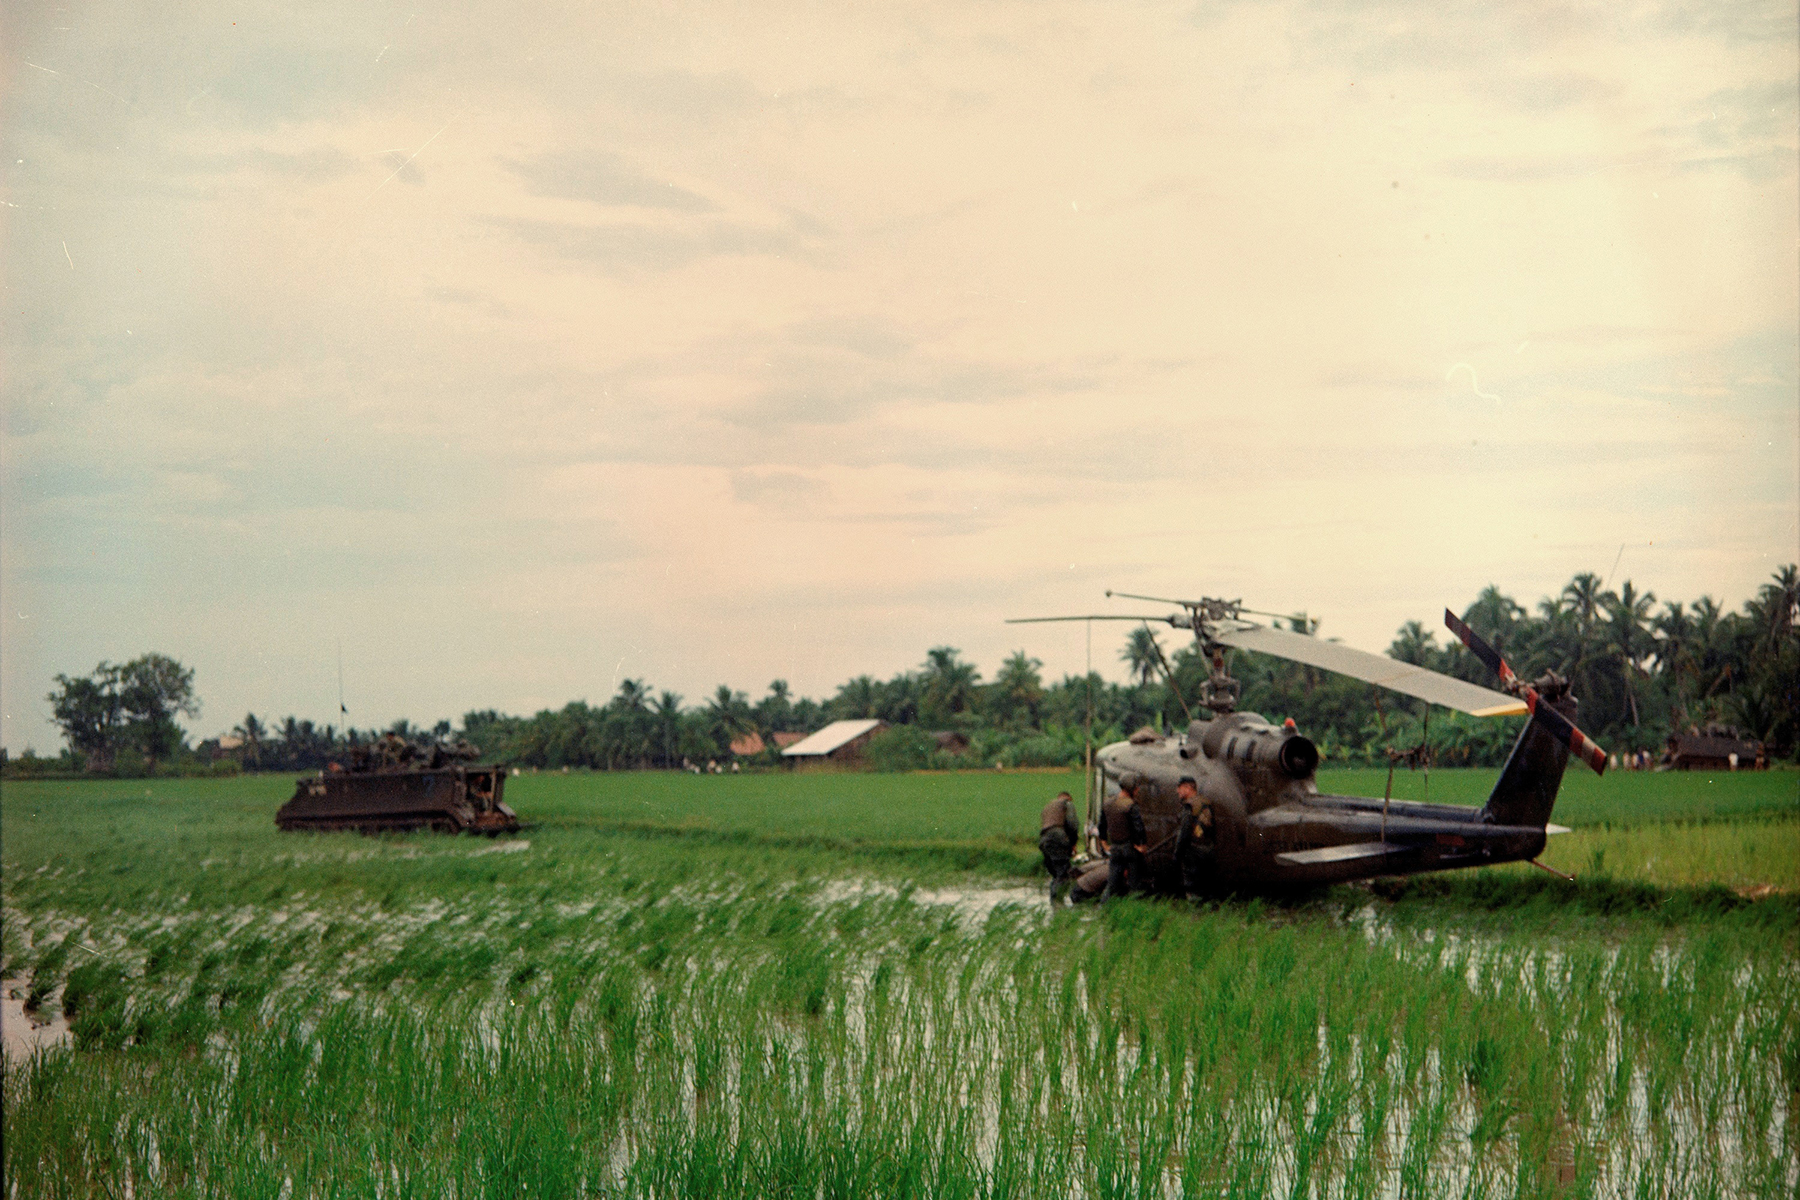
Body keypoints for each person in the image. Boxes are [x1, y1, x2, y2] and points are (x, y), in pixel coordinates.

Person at [1099, 775, 1148, 902]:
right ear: (1131, 788)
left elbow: (1102, 825)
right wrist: (1141, 845)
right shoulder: (1131, 805)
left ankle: (1103, 906)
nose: (1137, 790)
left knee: (1112, 883)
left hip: (1115, 848)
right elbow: (1139, 827)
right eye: (1136, 788)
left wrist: (1104, 843)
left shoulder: (1107, 803)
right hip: (1129, 848)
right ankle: (1134, 907)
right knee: (1134, 883)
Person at [1173, 776, 1214, 897]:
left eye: (1180, 788)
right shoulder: (1206, 802)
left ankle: (1193, 907)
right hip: (1207, 849)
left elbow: (1184, 832)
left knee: (1192, 888)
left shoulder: (1189, 805)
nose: (1177, 791)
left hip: (1193, 852)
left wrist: (1177, 853)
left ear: (1188, 787)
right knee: (1205, 887)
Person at [1037, 790, 1079, 905]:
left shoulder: (1048, 806)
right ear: (1068, 798)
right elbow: (1073, 824)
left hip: (1043, 840)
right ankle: (1058, 903)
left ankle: (1053, 902)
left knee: (1056, 874)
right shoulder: (1067, 804)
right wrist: (1073, 843)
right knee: (1063, 873)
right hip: (1058, 838)